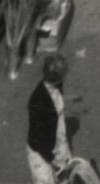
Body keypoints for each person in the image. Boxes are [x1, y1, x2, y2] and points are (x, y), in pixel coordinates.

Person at [26, 52, 71, 184]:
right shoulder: (38, 102)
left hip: (57, 145)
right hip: (42, 155)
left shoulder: (56, 87)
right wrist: (55, 160)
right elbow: (39, 141)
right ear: (58, 77)